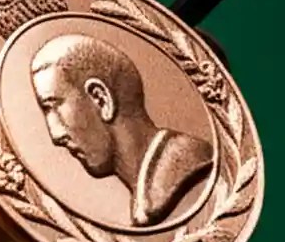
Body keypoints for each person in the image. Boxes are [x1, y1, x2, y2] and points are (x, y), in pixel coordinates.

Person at [30, 34, 213, 226]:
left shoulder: (186, 162)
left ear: (101, 99)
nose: (55, 135)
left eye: (54, 106)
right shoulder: (147, 197)